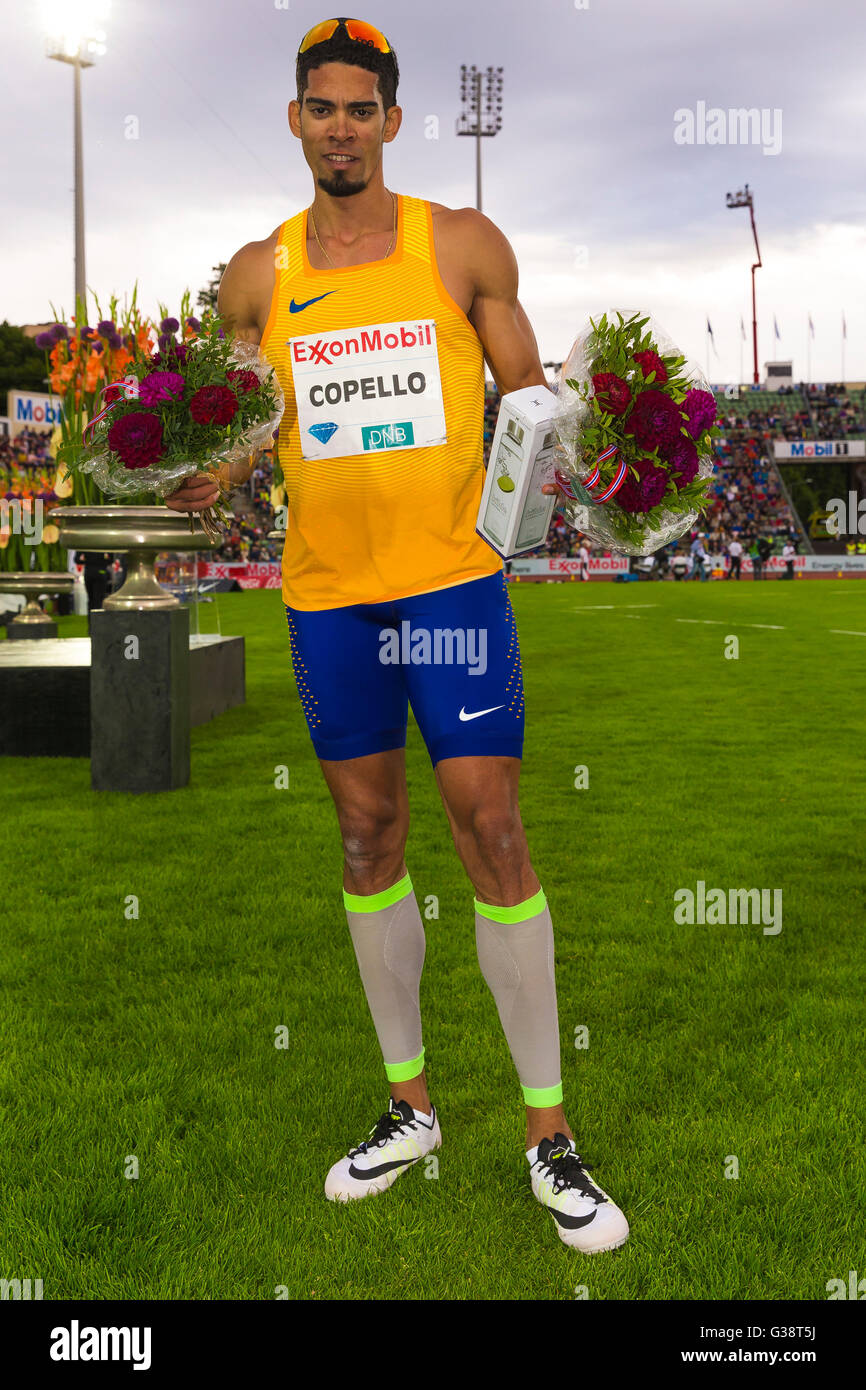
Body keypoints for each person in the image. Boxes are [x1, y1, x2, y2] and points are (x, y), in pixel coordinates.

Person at [165, 16, 627, 1255]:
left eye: (361, 107)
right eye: (321, 106)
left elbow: (531, 407)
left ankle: (547, 1133)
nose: (341, 126)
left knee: (490, 825)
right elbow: (232, 420)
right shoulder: (257, 275)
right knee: (368, 835)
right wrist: (204, 468)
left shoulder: (461, 243)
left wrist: (597, 443)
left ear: (391, 119)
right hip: (327, 596)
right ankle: (408, 1106)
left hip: (450, 591)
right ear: (295, 120)